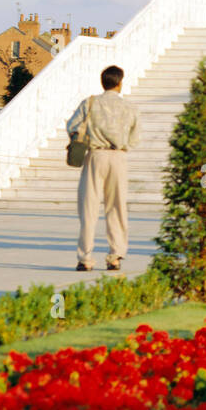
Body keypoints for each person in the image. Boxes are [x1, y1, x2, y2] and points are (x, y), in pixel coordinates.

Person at [66, 65, 139, 272]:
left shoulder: (90, 103)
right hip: (118, 157)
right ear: (119, 83)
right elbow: (136, 138)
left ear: (103, 82)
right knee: (116, 207)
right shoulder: (130, 107)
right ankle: (115, 255)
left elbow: (72, 126)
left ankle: (85, 258)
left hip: (95, 155)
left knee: (88, 208)